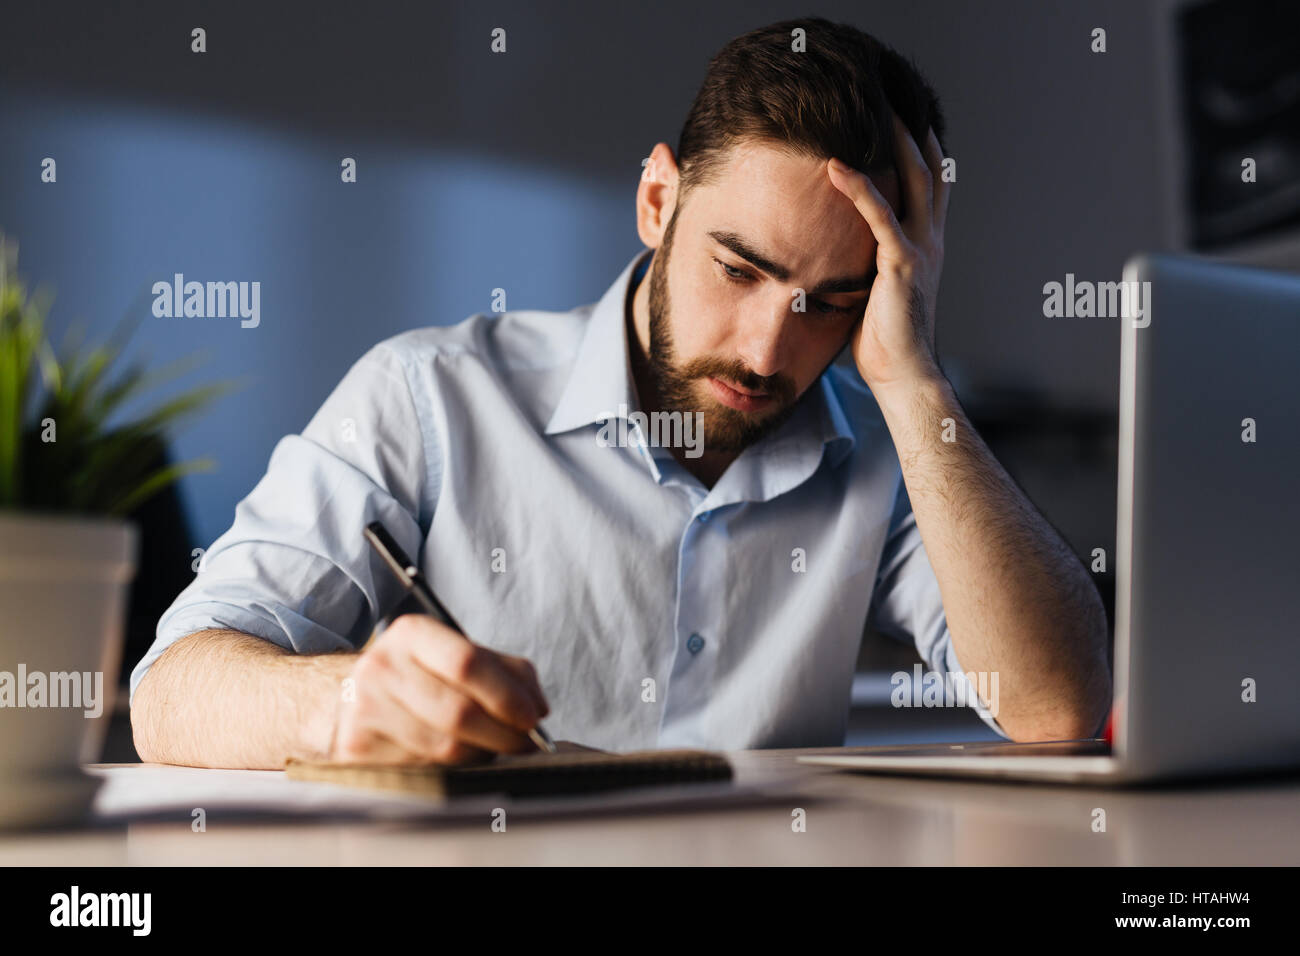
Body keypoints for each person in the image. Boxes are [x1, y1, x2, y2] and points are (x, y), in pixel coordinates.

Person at [131, 17, 1111, 769]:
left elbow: (1056, 706)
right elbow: (167, 695)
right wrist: (346, 703)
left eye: (831, 301)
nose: (769, 348)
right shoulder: (426, 396)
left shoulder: (888, 441)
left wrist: (914, 378)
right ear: (657, 201)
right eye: (738, 269)